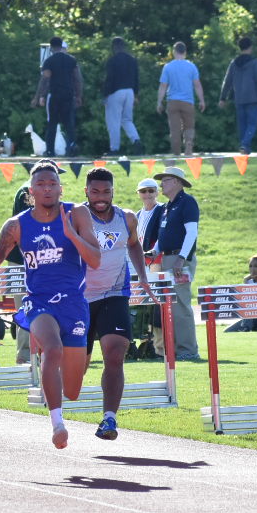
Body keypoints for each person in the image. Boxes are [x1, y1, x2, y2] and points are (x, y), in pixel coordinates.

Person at [0, 159, 101, 449]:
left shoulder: (78, 214)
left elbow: (95, 260)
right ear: (30, 191)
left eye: (52, 184)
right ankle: (57, 424)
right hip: (38, 301)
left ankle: (58, 393)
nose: (47, 189)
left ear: (61, 188)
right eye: (40, 185)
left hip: (74, 303)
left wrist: (72, 235)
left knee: (72, 390)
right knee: (52, 348)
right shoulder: (16, 225)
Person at [80, 167, 150, 440]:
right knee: (78, 367)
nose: (101, 197)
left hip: (115, 293)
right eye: (95, 191)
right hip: (80, 298)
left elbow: (134, 244)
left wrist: (142, 275)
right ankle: (58, 401)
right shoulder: (76, 217)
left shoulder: (127, 218)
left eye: (106, 191)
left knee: (115, 352)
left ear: (113, 192)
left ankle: (109, 419)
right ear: (86, 191)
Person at [148, 166, 201, 362]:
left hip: (179, 259)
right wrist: (154, 251)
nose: (162, 184)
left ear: (177, 182)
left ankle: (188, 350)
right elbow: (164, 235)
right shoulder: (167, 206)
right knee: (169, 306)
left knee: (181, 305)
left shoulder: (187, 202)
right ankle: (175, 349)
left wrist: (182, 258)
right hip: (168, 258)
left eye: (167, 180)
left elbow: (191, 233)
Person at [132, 176, 165, 361]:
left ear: (157, 192)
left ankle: (160, 347)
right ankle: (150, 343)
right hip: (141, 263)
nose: (147, 194)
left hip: (156, 261)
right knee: (144, 306)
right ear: (139, 194)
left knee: (157, 305)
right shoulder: (137, 215)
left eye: (151, 190)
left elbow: (162, 235)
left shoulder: (162, 211)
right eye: (144, 191)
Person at [219, 36, 257, 154]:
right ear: (250, 47)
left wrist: (223, 98)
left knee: (242, 125)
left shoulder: (233, 63)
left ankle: (244, 147)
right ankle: (245, 145)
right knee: (252, 124)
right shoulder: (254, 63)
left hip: (239, 99)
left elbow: (227, 81)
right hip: (253, 98)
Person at [35, 38, 81, 158]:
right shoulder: (71, 60)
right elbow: (77, 78)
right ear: (61, 46)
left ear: (51, 48)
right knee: (69, 123)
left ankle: (50, 150)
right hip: (68, 95)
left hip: (55, 94)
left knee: (52, 124)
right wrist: (78, 95)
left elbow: (45, 79)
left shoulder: (49, 61)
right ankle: (72, 146)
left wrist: (39, 96)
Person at [156, 42, 204, 154]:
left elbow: (163, 86)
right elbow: (197, 85)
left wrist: (159, 102)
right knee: (189, 126)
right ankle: (188, 146)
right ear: (185, 52)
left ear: (174, 52)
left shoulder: (168, 67)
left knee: (174, 129)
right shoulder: (191, 66)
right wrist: (201, 100)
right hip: (188, 101)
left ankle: (176, 152)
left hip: (172, 102)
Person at [100, 37, 142, 155]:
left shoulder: (112, 60)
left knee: (113, 121)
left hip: (116, 92)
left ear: (113, 47)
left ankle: (114, 149)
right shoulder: (132, 60)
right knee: (127, 119)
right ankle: (136, 140)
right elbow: (136, 78)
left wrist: (105, 94)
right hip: (130, 92)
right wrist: (136, 94)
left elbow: (110, 79)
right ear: (124, 46)